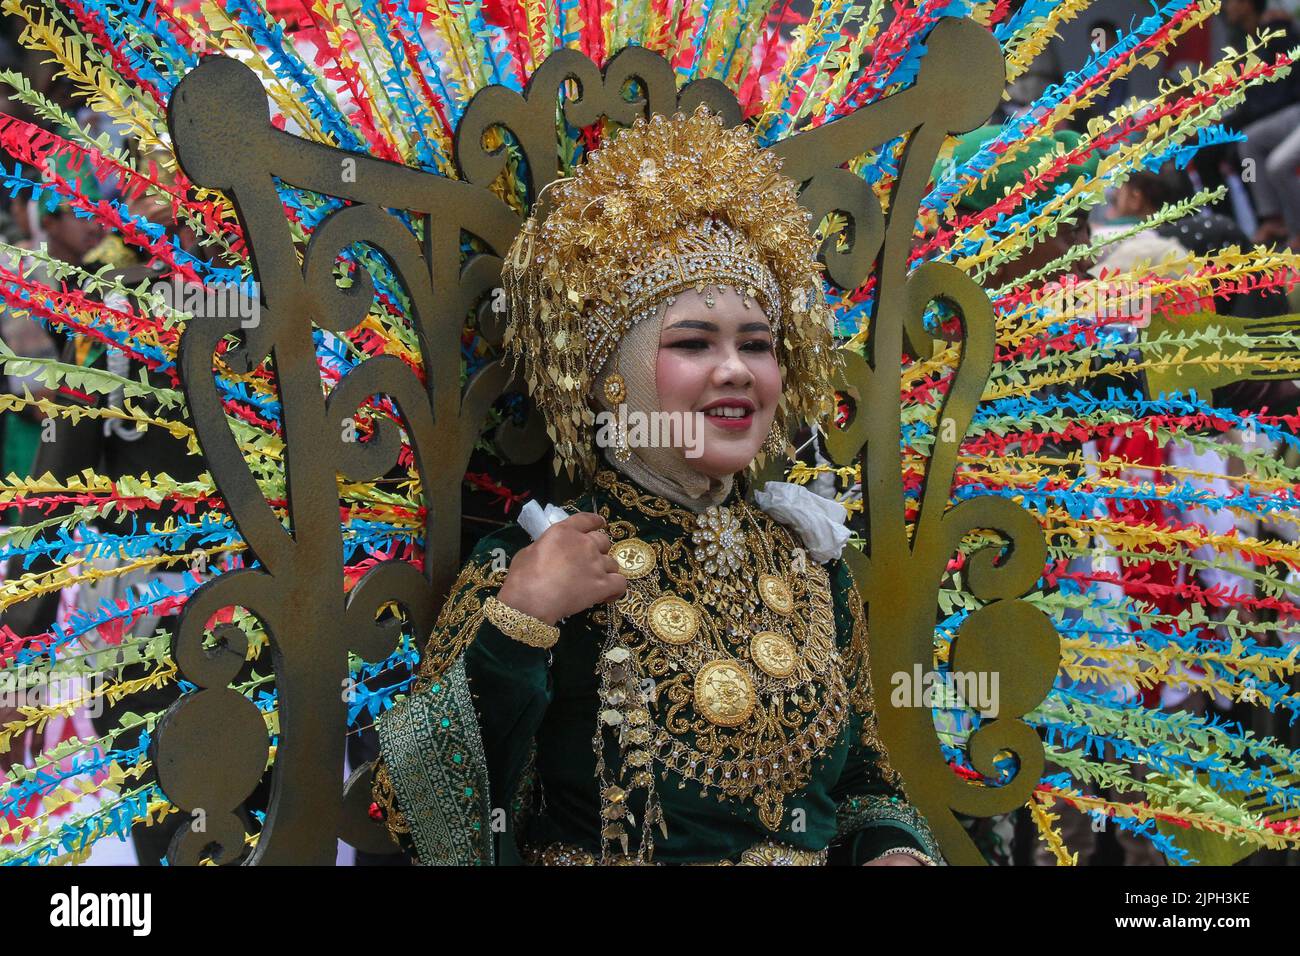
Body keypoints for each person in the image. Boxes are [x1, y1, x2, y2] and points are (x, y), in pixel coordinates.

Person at [369, 107, 940, 866]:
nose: (735, 369)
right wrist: (521, 621)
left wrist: (895, 852)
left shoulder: (813, 567)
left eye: (757, 344)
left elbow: (864, 788)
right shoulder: (540, 562)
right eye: (693, 342)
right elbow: (415, 814)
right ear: (612, 380)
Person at [1221, 0, 1300, 247]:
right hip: (1270, 115)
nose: (1226, 7)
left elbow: (1279, 91)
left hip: (1288, 108)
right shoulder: (1245, 37)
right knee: (1244, 145)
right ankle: (1270, 218)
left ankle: (1294, 227)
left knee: (1274, 162)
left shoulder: (1279, 30)